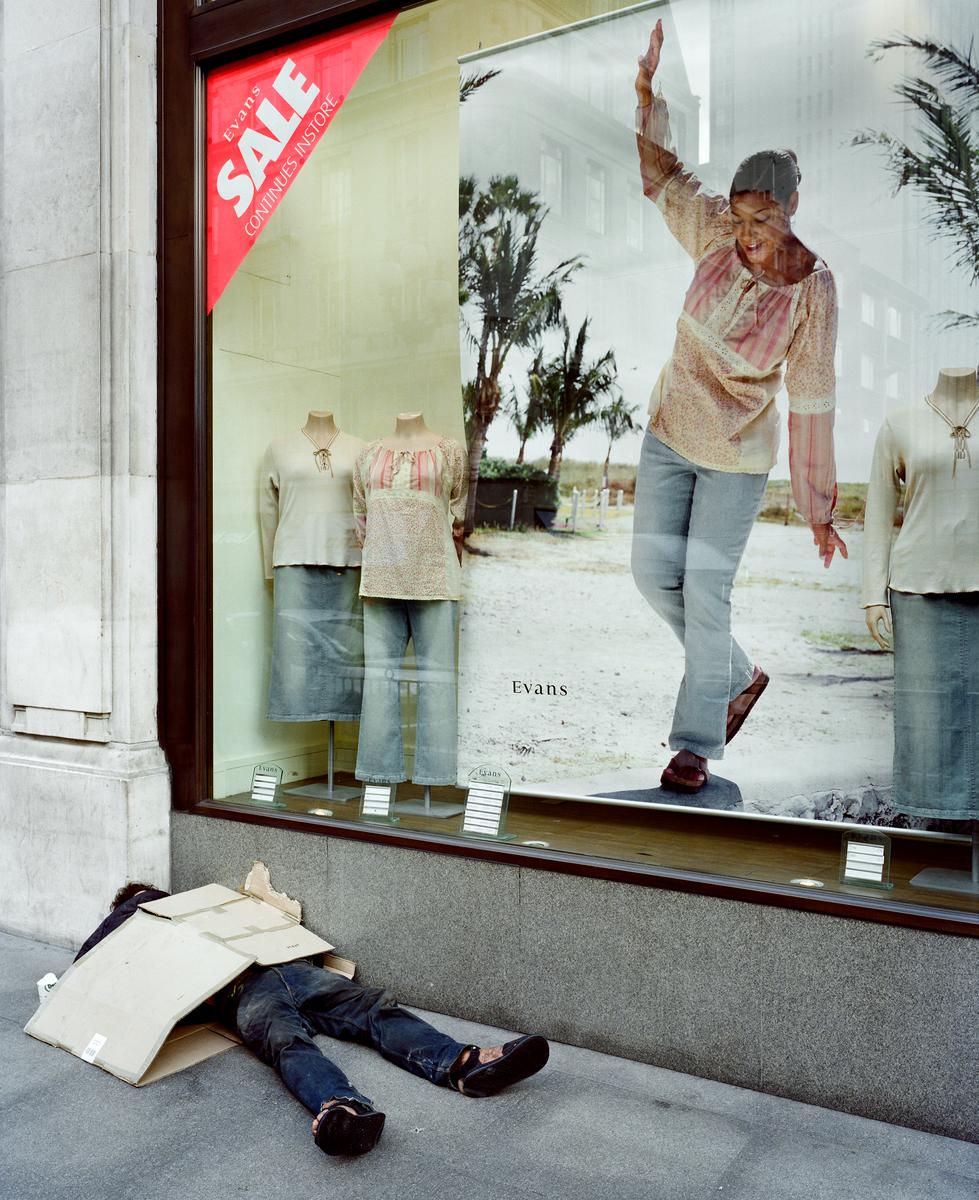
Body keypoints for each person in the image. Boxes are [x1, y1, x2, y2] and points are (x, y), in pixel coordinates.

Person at [631, 20, 847, 795]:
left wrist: (817, 505)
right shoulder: (715, 231)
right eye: (742, 217)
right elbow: (663, 175)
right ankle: (739, 673)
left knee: (703, 589)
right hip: (668, 430)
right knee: (650, 577)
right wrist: (647, 94)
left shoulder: (813, 289)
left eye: (764, 219)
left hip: (737, 460)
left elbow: (813, 398)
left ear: (791, 206)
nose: (749, 236)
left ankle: (694, 744)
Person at [75, 883, 550, 1159]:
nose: (151, 897)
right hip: (244, 991)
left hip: (288, 967)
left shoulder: (197, 903)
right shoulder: (135, 925)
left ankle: (464, 1064)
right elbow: (89, 962)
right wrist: (128, 909)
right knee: (293, 1039)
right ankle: (342, 1107)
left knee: (369, 1008)